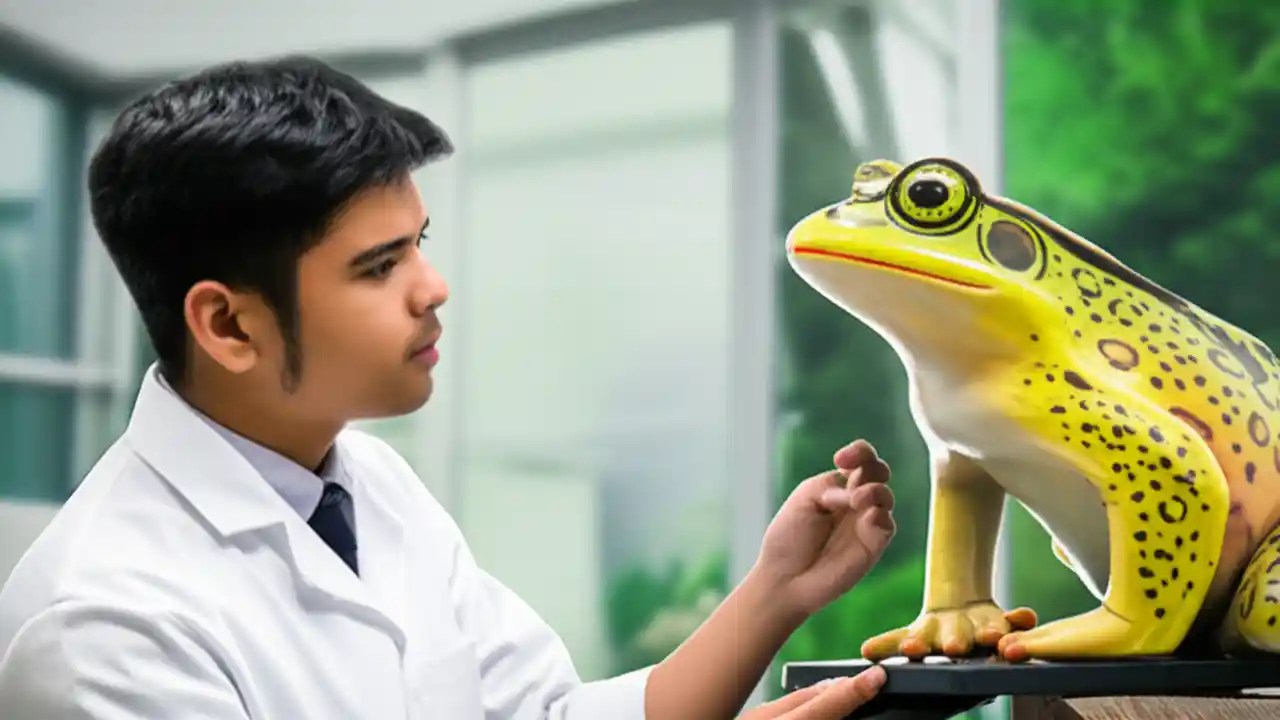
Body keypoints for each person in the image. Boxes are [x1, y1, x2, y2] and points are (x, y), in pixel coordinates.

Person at [0, 56, 897, 719]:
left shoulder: (368, 486)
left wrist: (776, 590)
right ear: (229, 325)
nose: (432, 288)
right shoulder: (103, 628)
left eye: (418, 242)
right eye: (378, 266)